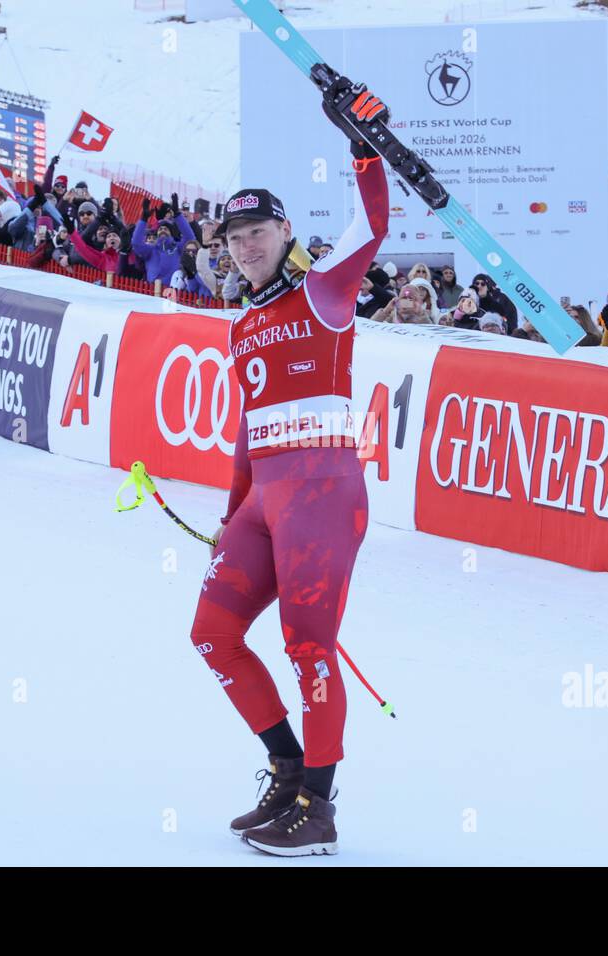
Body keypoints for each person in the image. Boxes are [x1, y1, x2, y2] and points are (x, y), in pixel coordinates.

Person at [189, 85, 389, 857]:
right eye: (233, 237)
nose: (244, 246)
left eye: (257, 231)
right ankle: (287, 765)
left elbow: (373, 223)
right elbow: (245, 432)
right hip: (263, 496)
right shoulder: (240, 325)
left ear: (285, 231)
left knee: (309, 645)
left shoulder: (324, 292)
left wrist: (363, 145)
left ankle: (320, 807)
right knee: (213, 633)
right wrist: (229, 513)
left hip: (323, 493)